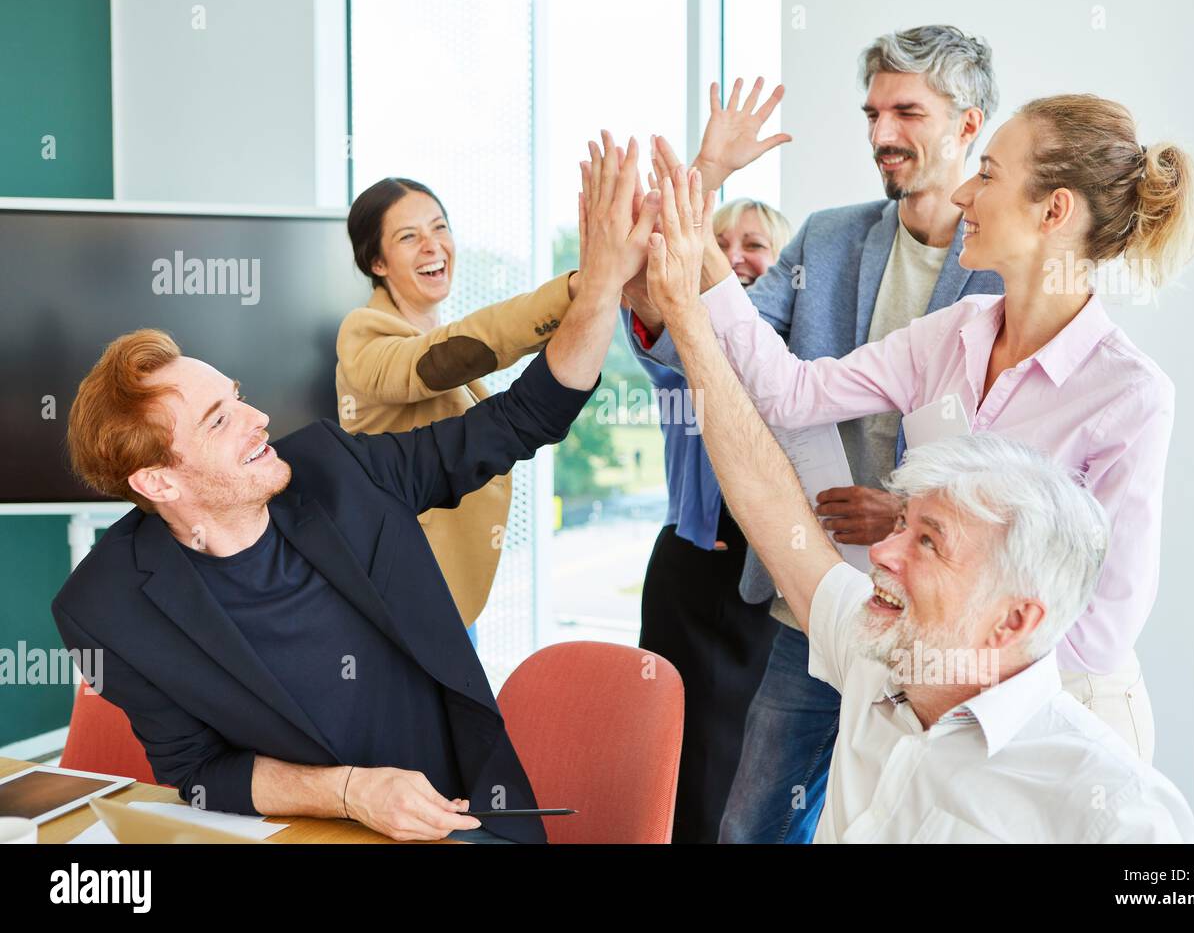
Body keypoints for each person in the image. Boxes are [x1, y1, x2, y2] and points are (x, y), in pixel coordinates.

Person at [51, 131, 659, 843]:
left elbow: (521, 420)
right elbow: (197, 770)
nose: (258, 420)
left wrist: (603, 284)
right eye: (220, 420)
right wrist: (350, 794)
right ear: (156, 478)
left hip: (462, 823)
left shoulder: (335, 470)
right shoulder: (103, 606)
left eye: (237, 395)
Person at [639, 165, 1194, 841]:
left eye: (926, 540)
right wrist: (690, 313)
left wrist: (971, 663)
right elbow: (770, 495)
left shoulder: (1112, 809)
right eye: (902, 524)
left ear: (1055, 210)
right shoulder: (879, 654)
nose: (878, 551)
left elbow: (1099, 631)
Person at [624, 25, 1003, 843]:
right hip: (815, 606)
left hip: (941, 625)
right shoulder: (830, 237)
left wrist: (904, 517)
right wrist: (708, 179)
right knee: (752, 825)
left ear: (968, 124)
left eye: (906, 111)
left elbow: (1019, 463)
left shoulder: (1005, 266)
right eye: (872, 113)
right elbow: (722, 355)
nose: (880, 135)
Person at [337, 177, 583, 632]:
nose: (433, 246)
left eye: (439, 227)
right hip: (407, 593)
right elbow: (440, 360)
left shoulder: (425, 329)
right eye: (409, 237)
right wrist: (574, 290)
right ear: (377, 261)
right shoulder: (364, 331)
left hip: (443, 589)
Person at [627, 198, 791, 843]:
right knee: (676, 753)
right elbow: (656, 342)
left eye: (753, 244)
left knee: (754, 758)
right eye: (719, 242)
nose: (733, 256)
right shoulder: (683, 342)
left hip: (774, 576)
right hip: (691, 566)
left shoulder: (793, 351)